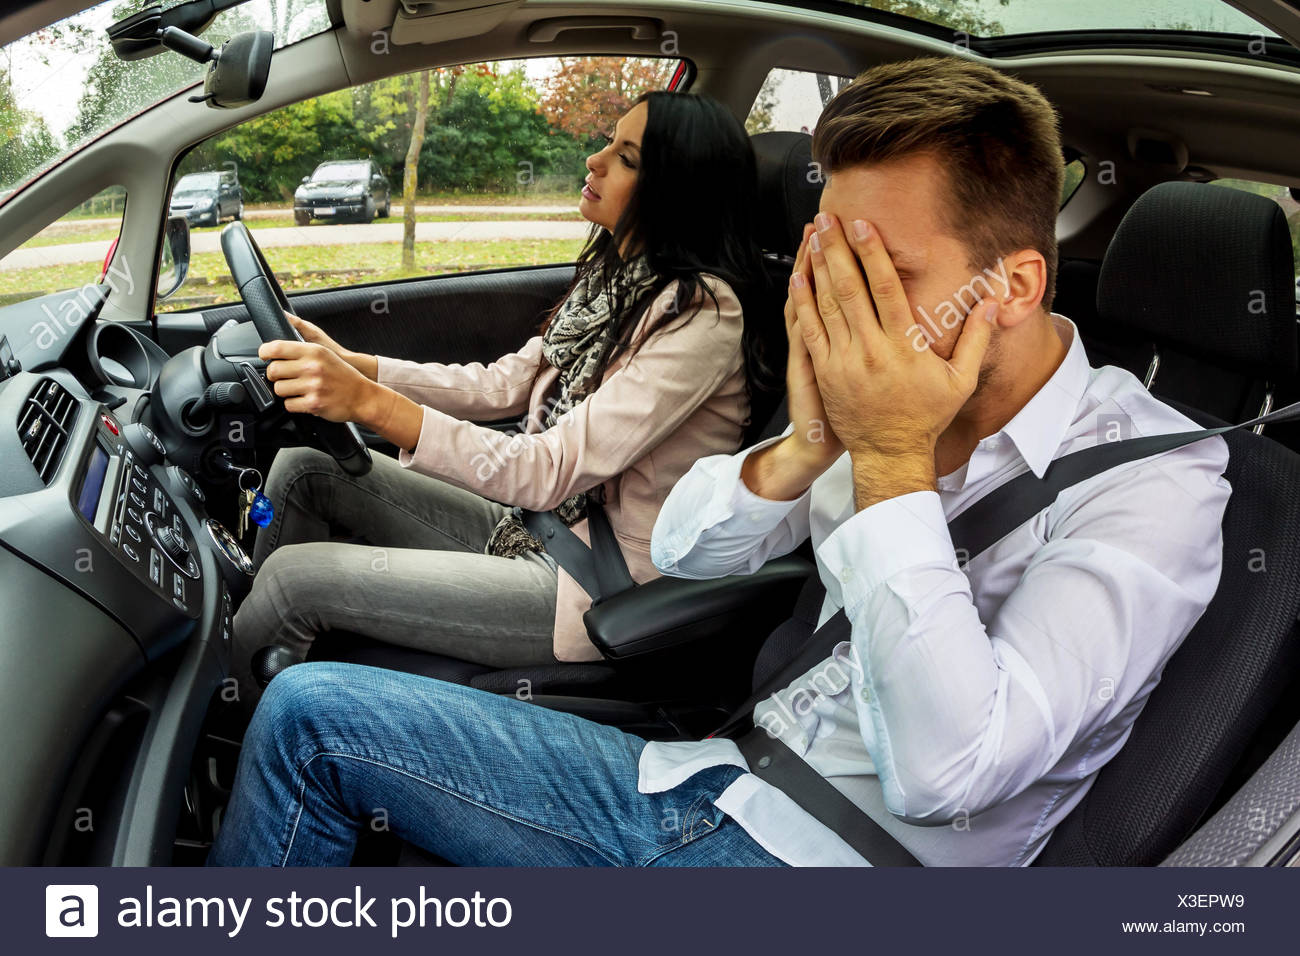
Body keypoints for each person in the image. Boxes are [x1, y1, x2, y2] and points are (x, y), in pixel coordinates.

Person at [208, 57, 1230, 867]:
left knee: (312, 711)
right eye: (832, 263)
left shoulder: (1152, 489)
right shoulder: (873, 382)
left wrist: (886, 459)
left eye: (885, 274)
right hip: (710, 772)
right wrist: (801, 448)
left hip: (820, 864)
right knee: (312, 711)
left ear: (1013, 284)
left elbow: (942, 770)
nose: (840, 309)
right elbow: (694, 548)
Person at [226, 90, 771, 711]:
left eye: (625, 158)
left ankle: (227, 726)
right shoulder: (617, 284)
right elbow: (500, 385)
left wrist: (370, 405)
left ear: (678, 190)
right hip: (533, 528)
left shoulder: (703, 315)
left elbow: (547, 469)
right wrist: (361, 368)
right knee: (302, 473)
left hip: (592, 585)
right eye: (607, 144)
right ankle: (269, 665)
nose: (593, 162)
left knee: (293, 583)